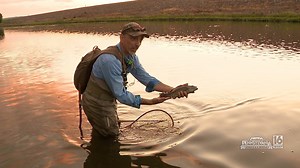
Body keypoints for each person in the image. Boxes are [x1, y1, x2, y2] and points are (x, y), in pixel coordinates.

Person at [82, 22, 187, 138]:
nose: (137, 44)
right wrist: (150, 102)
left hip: (108, 100)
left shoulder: (131, 57)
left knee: (108, 129)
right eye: (133, 38)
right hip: (96, 104)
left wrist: (175, 90)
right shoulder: (109, 60)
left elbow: (147, 79)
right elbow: (121, 96)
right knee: (111, 136)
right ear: (121, 37)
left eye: (140, 40)